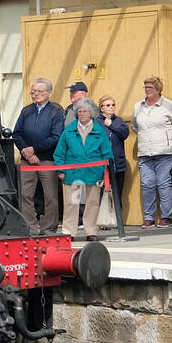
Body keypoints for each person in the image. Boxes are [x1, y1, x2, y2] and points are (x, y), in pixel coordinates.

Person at [53, 101, 113, 241]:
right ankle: (69, 232)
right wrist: (60, 170)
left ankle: (91, 231)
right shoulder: (68, 131)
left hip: (94, 172)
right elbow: (60, 153)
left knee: (92, 203)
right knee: (71, 203)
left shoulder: (100, 131)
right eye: (79, 111)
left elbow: (107, 153)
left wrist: (108, 173)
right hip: (73, 172)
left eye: (84, 111)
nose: (81, 114)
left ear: (91, 113)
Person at [13, 78, 64, 234]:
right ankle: (31, 227)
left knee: (51, 197)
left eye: (39, 91)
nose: (35, 94)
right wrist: (27, 153)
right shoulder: (26, 111)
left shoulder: (56, 111)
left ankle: (49, 228)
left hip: (47, 160)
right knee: (25, 195)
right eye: (33, 91)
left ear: (48, 93)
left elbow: (56, 136)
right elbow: (17, 133)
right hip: (27, 161)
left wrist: (34, 150)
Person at [132, 77, 172, 227]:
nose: (147, 89)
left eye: (150, 87)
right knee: (147, 184)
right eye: (145, 87)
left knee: (164, 184)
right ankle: (149, 217)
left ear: (158, 90)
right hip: (145, 152)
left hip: (166, 151)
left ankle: (166, 217)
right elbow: (135, 126)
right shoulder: (138, 106)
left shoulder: (169, 106)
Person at [98, 95, 129, 226]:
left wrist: (111, 125)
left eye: (112, 105)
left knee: (117, 193)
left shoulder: (119, 121)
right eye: (107, 105)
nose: (111, 107)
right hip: (101, 165)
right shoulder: (96, 122)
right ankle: (101, 221)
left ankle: (117, 221)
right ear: (101, 108)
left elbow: (124, 134)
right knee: (101, 194)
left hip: (118, 164)